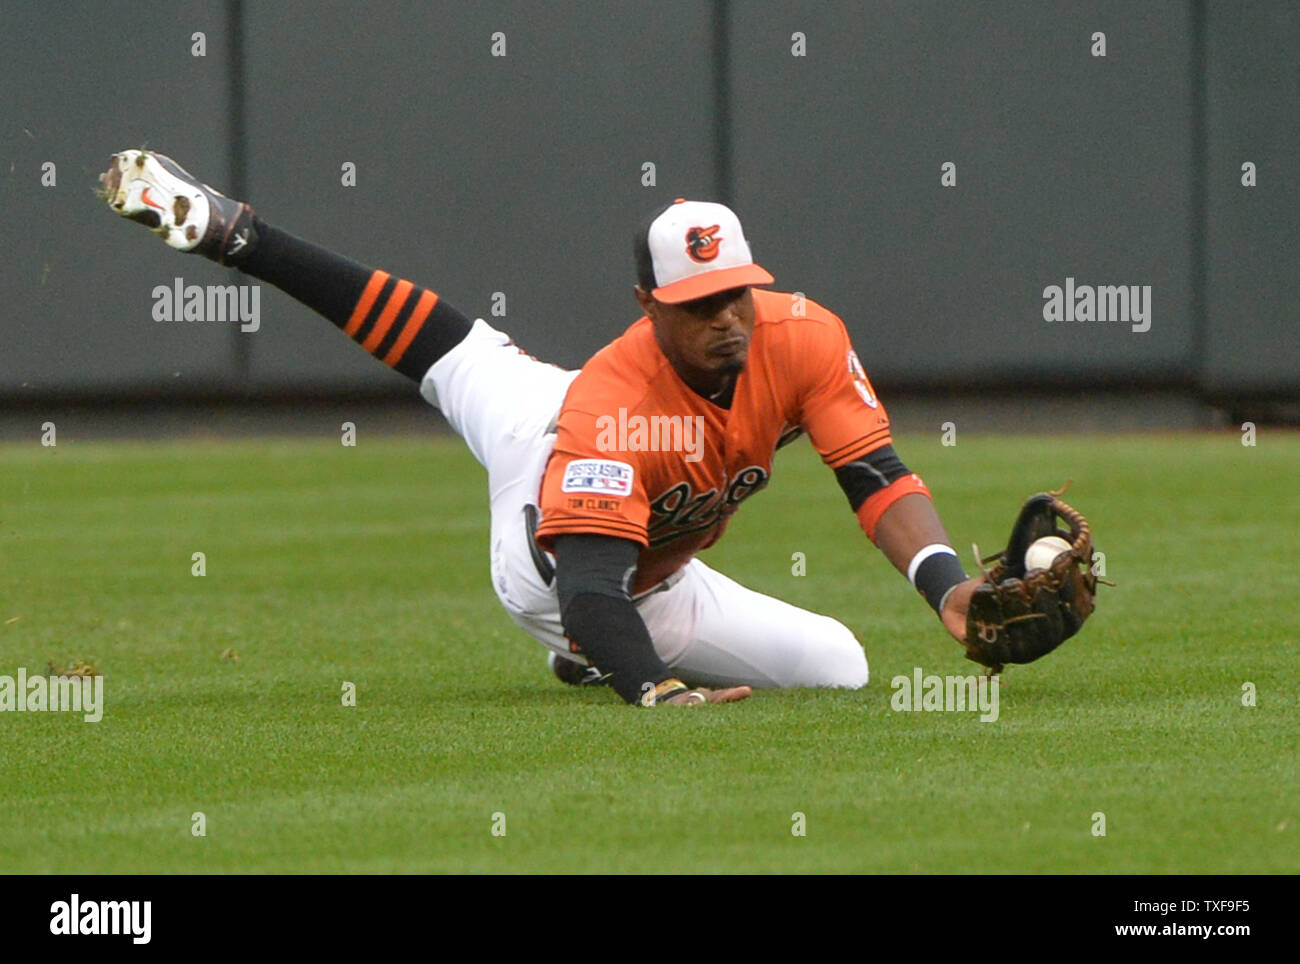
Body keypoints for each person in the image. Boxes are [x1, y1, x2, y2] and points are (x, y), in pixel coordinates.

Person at [99, 149, 983, 708]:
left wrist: (949, 589)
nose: (727, 319)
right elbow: (594, 585)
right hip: (556, 568)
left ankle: (235, 234)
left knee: (844, 667)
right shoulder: (613, 407)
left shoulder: (802, 337)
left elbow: (875, 473)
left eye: (736, 295)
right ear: (649, 306)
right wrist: (650, 688)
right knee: (597, 615)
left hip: (604, 482)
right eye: (698, 304)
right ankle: (591, 660)